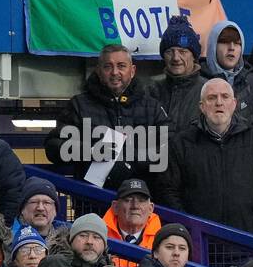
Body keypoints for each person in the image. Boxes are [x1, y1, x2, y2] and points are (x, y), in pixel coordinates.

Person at [155, 79, 253, 237]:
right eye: (212, 98)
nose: (219, 103)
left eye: (225, 97)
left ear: (234, 103)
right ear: (201, 106)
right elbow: (168, 191)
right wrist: (188, 228)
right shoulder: (181, 142)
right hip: (198, 243)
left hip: (249, 243)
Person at [44, 44, 168, 190]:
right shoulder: (79, 105)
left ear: (132, 71)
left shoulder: (152, 108)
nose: (115, 72)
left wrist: (130, 156)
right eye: (108, 67)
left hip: (139, 201)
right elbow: (53, 147)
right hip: (93, 199)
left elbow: (168, 150)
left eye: (121, 66)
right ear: (98, 71)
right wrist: (90, 151)